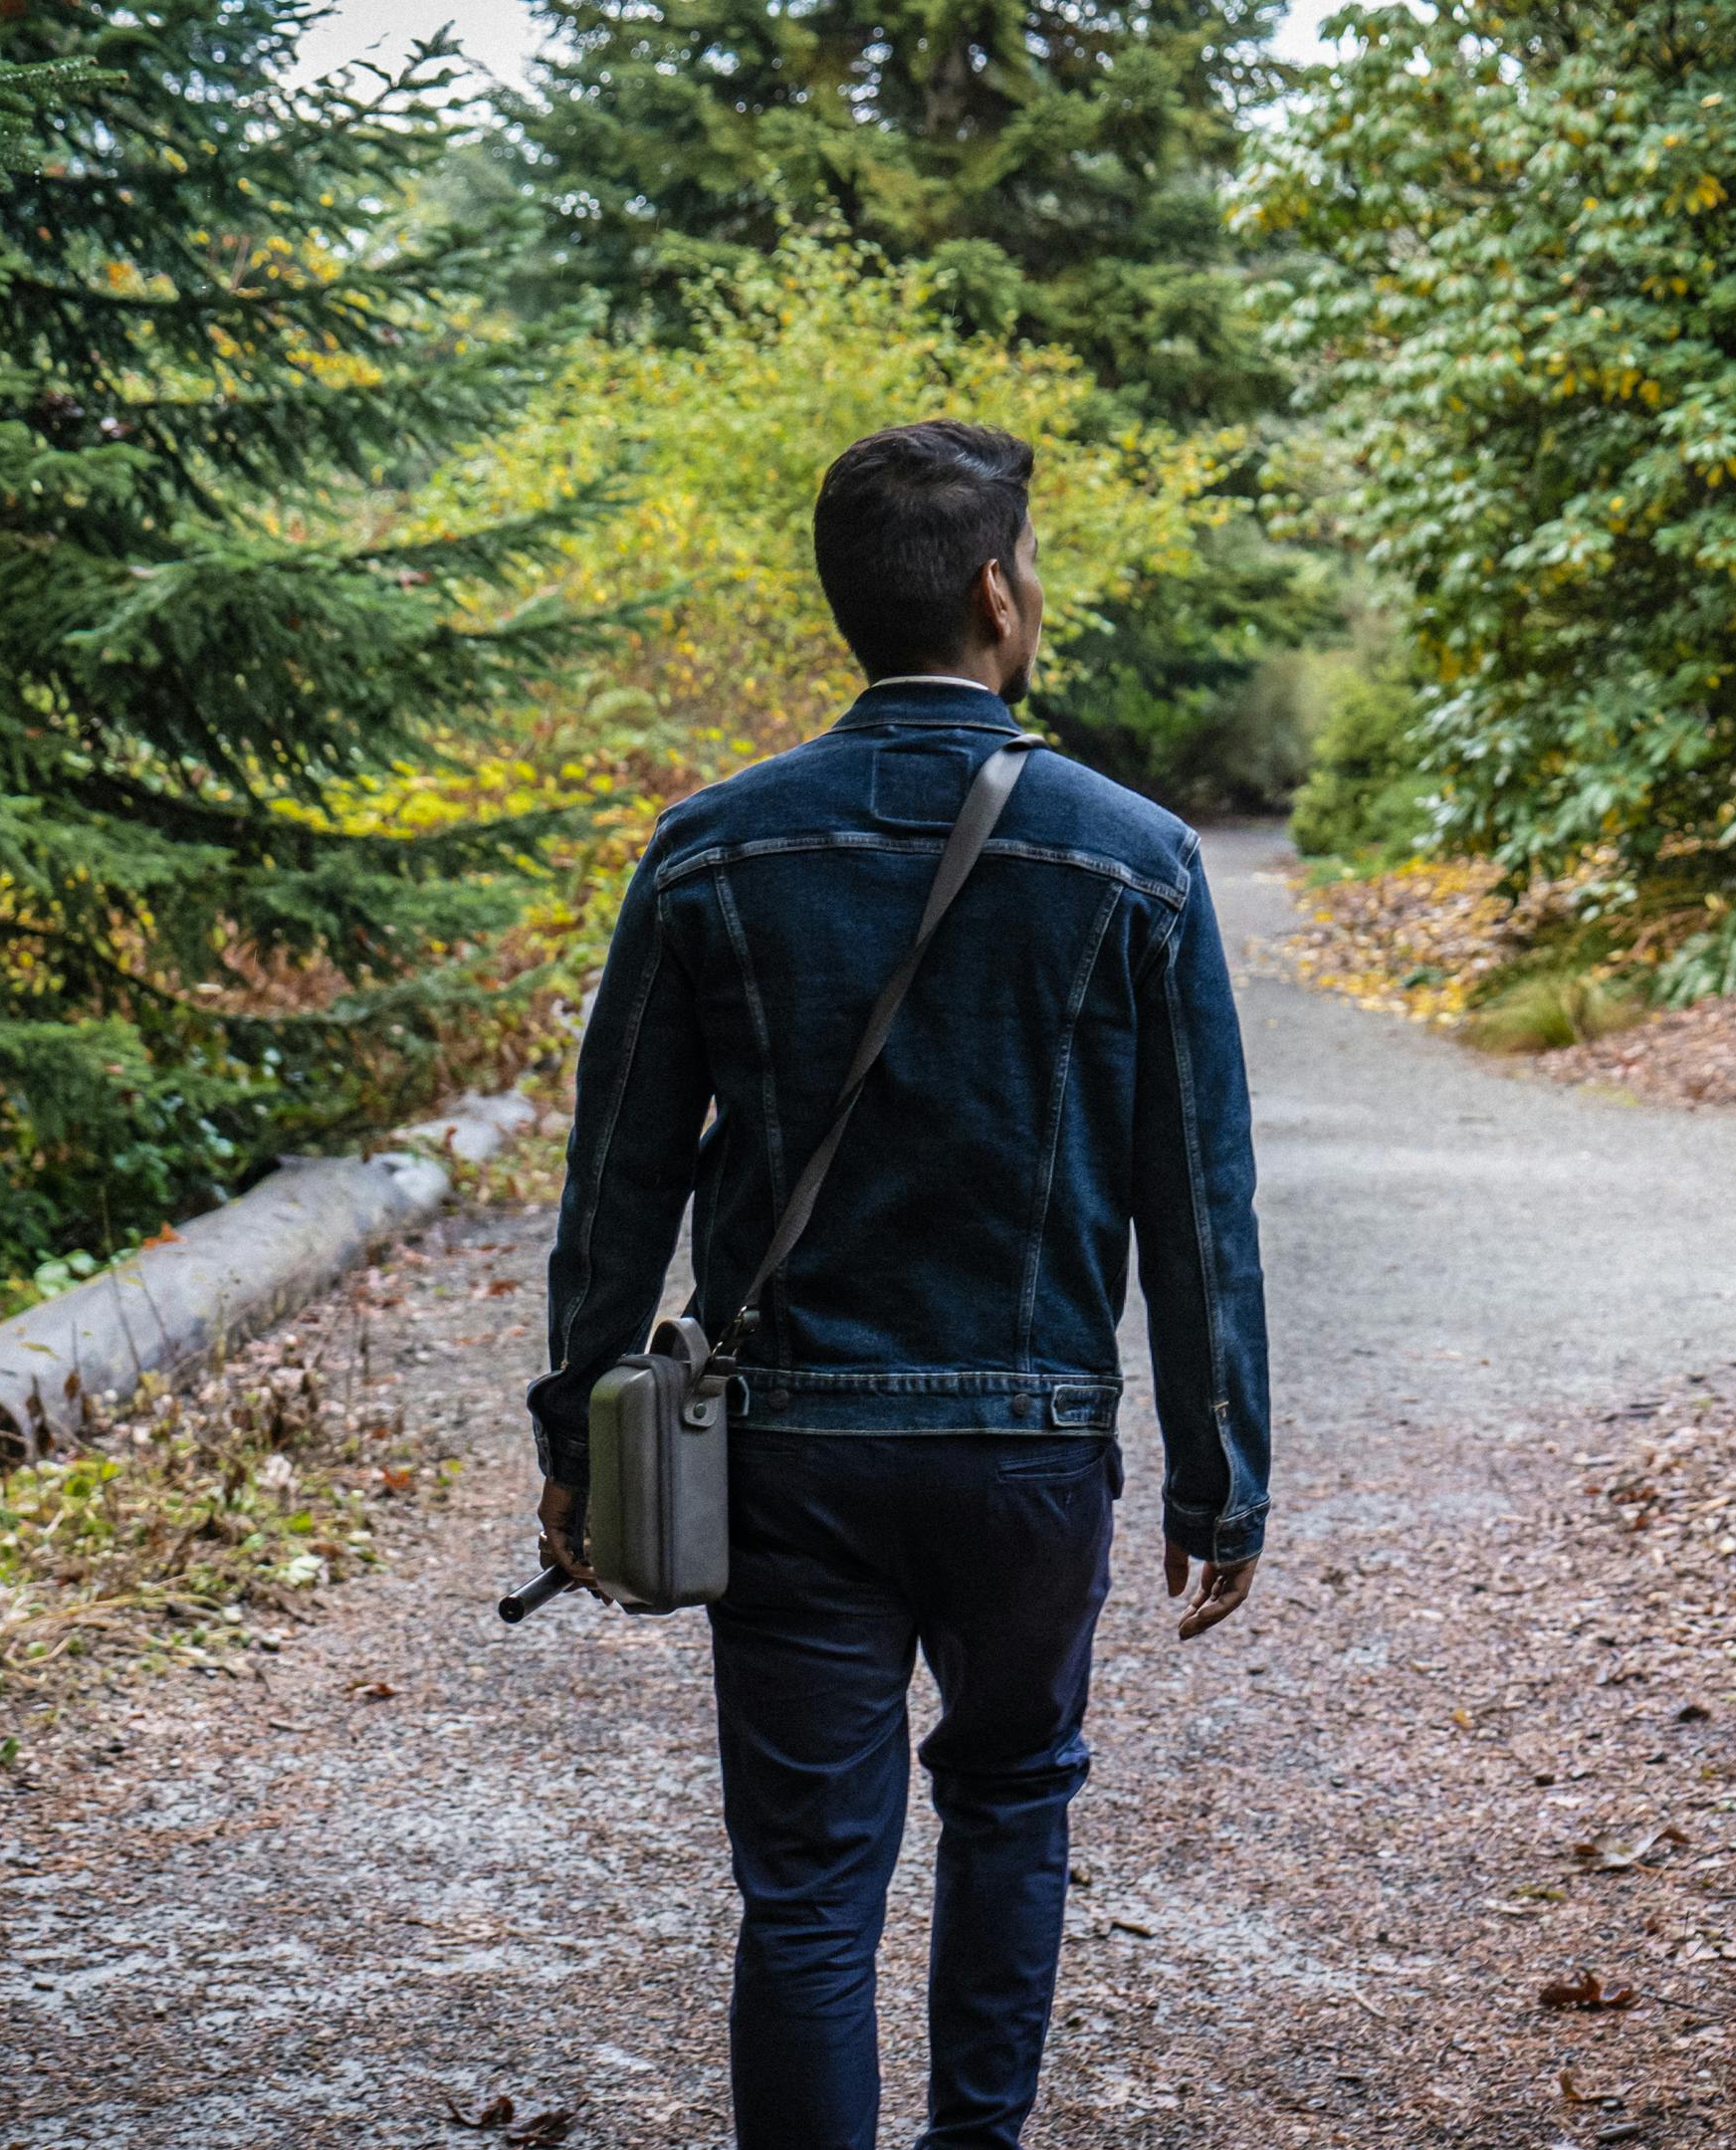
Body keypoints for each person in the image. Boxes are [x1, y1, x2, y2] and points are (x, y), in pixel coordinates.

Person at [525, 419, 1271, 2149]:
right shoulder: (1137, 857)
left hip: (788, 1457)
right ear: (1000, 597)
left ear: (848, 604)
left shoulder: (712, 847)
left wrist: (577, 1436)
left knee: (805, 1889)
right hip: (1023, 1454)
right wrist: (1218, 1474)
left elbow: (619, 1179)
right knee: (1013, 1804)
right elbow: (1197, 1201)